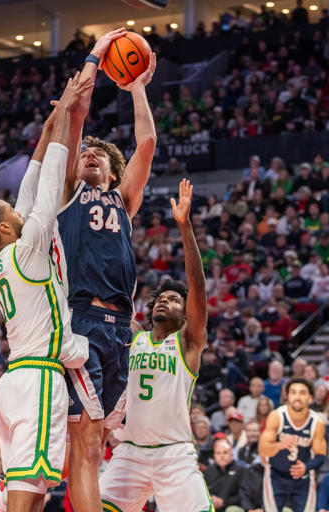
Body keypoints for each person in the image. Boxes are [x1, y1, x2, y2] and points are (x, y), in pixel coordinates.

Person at [0, 75, 88, 512]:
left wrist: (47, 129)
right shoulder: (29, 249)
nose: (17, 209)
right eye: (9, 211)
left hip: (20, 377)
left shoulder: (2, 261)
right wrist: (68, 117)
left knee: (36, 496)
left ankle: (2, 495)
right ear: (4, 227)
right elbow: (50, 182)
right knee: (25, 501)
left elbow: (31, 186)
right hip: (37, 378)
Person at [57, 27, 157, 512]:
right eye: (84, 154)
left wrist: (136, 83)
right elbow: (75, 114)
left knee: (104, 439)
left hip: (123, 327)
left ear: (113, 172)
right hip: (83, 323)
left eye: (98, 154)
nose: (89, 154)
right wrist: (97, 54)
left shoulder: (124, 199)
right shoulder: (66, 196)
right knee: (88, 442)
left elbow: (147, 143)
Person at [98, 179, 212, 510]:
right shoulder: (134, 336)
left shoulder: (189, 341)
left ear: (186, 314)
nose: (164, 302)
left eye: (174, 300)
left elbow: (198, 286)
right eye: (160, 298)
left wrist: (184, 226)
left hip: (174, 453)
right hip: (130, 452)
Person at [258, 377, 327, 512]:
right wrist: (279, 445)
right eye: (293, 392)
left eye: (302, 393)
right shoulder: (276, 416)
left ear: (310, 398)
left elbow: (321, 456)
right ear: (287, 396)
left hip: (303, 479)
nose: (297, 397)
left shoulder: (317, 422)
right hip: (275, 476)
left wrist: (306, 467)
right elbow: (263, 450)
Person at [204, 438, 247, 511]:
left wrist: (224, 502)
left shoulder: (241, 470)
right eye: (218, 453)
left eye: (225, 452)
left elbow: (245, 496)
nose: (221, 456)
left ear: (231, 453)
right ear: (214, 455)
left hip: (233, 507)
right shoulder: (208, 471)